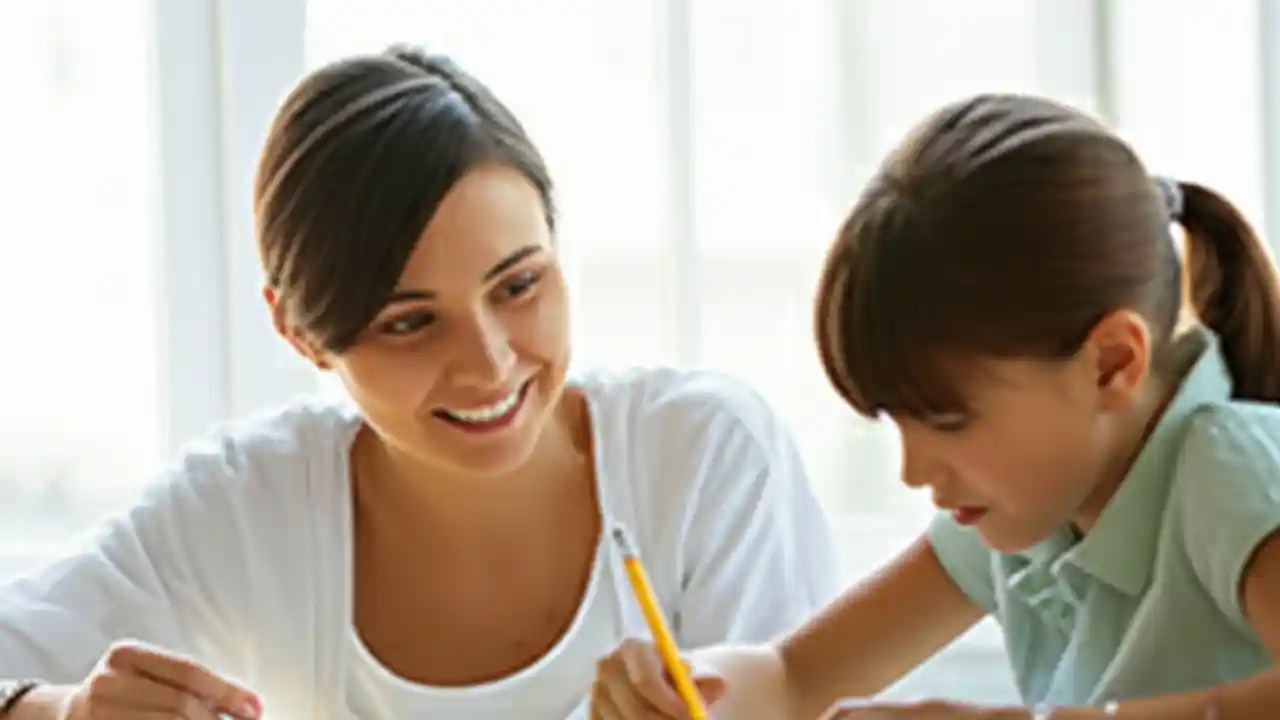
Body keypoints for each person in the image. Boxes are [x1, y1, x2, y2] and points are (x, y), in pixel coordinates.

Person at [0, 46, 841, 720]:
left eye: (518, 286)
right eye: (409, 322)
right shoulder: (248, 507)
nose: (490, 363)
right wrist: (59, 709)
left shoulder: (703, 460)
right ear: (297, 332)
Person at [590, 93, 1280, 719]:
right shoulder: (1033, 512)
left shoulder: (1233, 473)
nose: (914, 471)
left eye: (950, 421)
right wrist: (688, 686)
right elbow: (797, 678)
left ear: (1110, 364)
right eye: (897, 422)